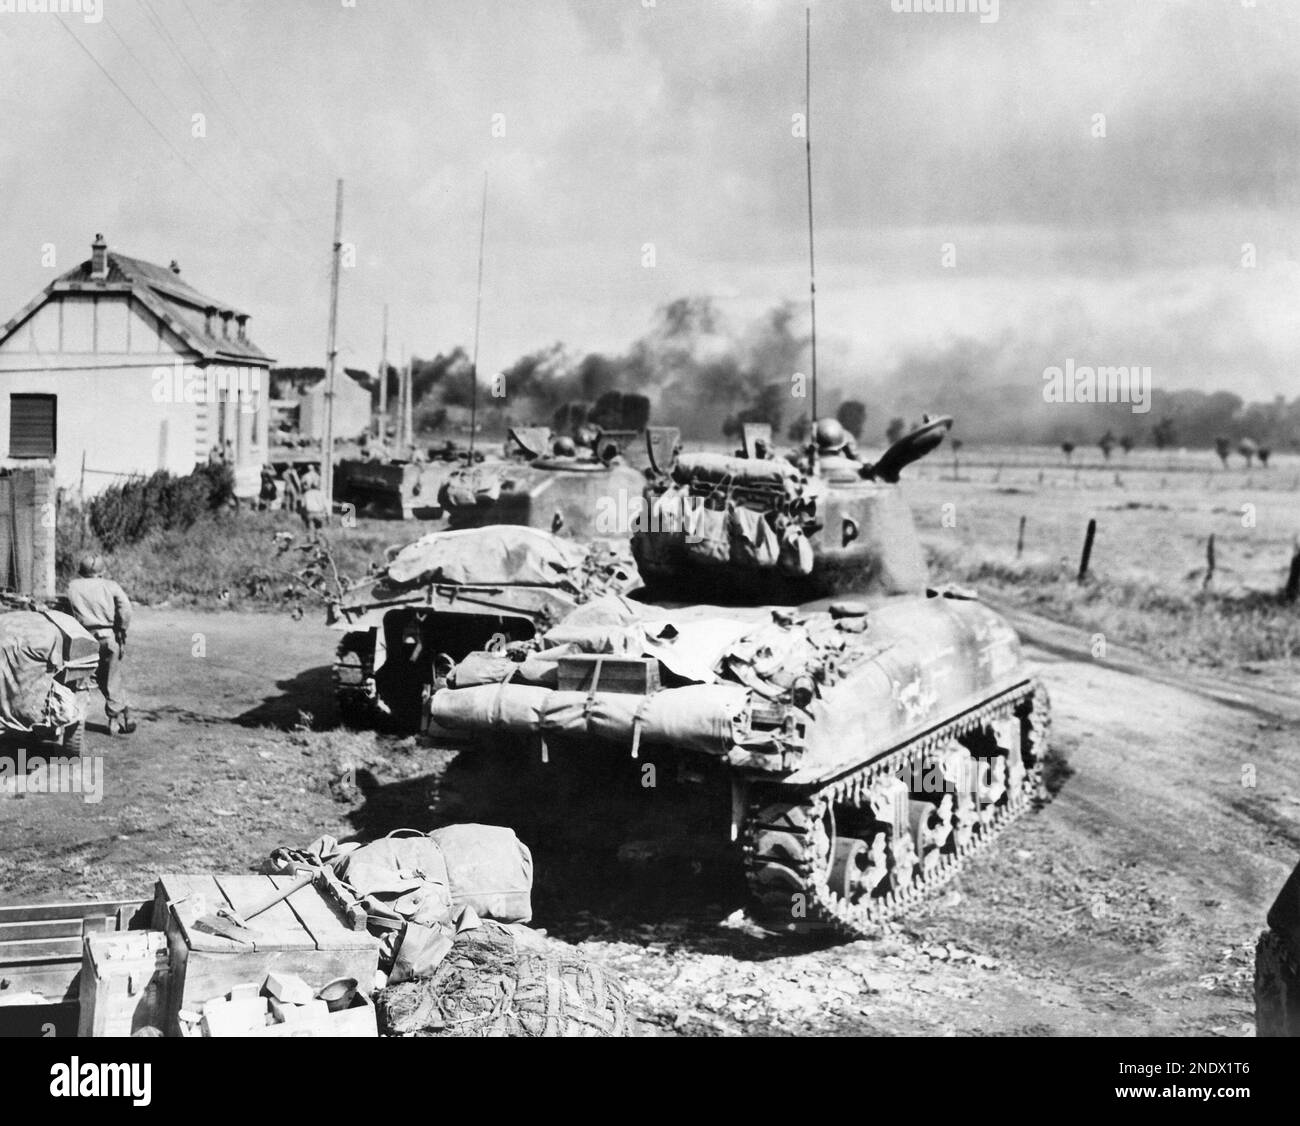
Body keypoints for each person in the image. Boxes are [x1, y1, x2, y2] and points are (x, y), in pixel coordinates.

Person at [66, 554, 137, 735]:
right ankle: (116, 716)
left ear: (81, 571)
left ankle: (73, 717)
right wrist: (121, 630)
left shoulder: (73, 586)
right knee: (111, 676)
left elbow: (65, 609)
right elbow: (126, 609)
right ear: (101, 572)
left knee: (79, 679)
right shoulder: (111, 586)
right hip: (108, 636)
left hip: (82, 638)